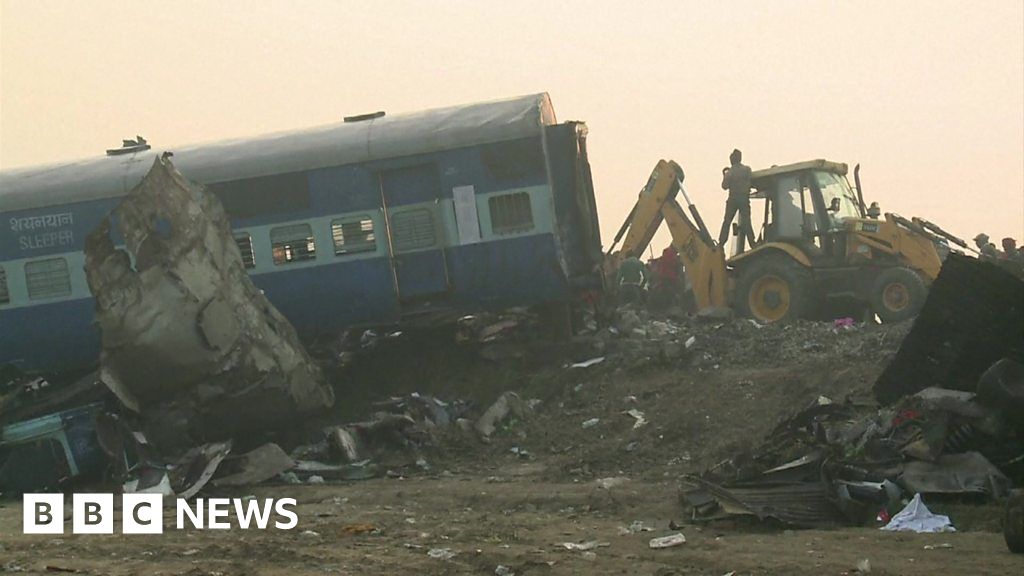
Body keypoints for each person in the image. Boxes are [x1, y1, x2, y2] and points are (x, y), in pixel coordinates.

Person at [718, 149, 756, 250]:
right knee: (747, 221)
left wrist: (725, 175)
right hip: (744, 198)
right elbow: (751, 181)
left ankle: (721, 243)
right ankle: (752, 243)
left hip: (733, 199)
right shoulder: (747, 170)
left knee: (727, 221)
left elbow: (724, 186)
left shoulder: (730, 173)